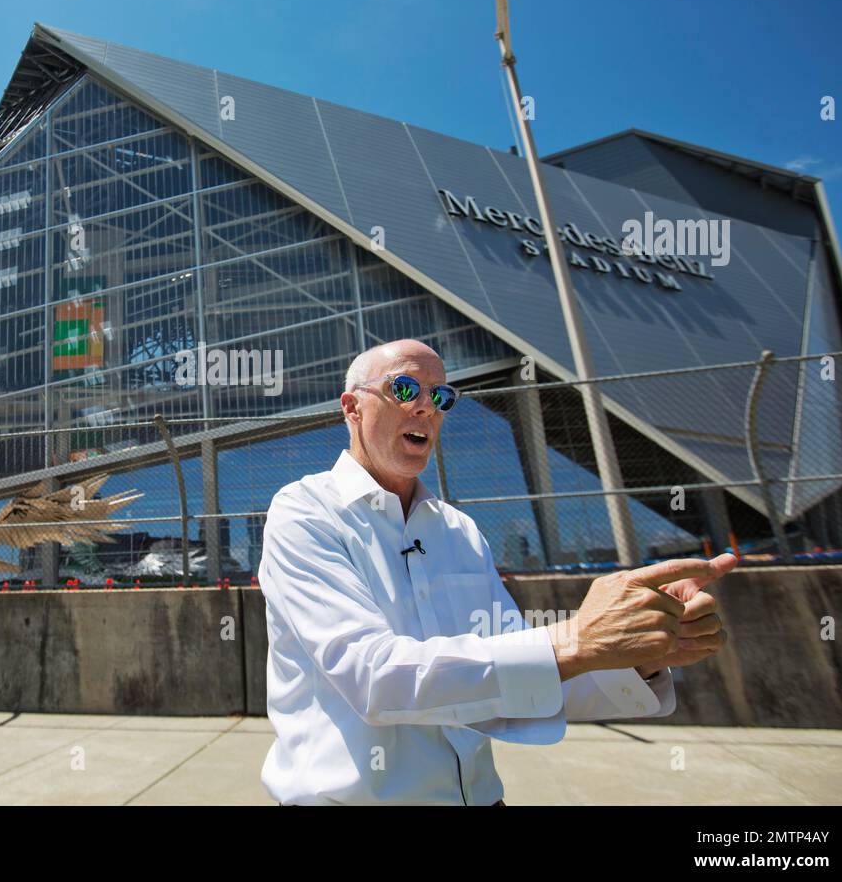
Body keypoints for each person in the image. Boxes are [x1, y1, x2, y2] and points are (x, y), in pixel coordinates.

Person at [257, 340, 731, 805]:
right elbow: (373, 677)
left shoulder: (458, 530)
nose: (427, 407)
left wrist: (641, 649)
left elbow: (523, 674)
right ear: (352, 408)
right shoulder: (305, 513)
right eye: (405, 389)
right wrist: (575, 640)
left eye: (441, 397)